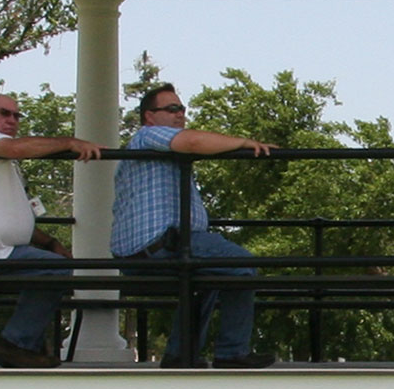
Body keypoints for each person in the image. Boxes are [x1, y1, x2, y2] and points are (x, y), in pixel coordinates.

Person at [111, 81, 279, 367]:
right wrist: (244, 143)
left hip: (155, 248)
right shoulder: (149, 136)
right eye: (172, 108)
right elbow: (192, 141)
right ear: (149, 116)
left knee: (209, 274)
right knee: (241, 265)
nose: (180, 114)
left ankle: (180, 354)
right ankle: (231, 352)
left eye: (182, 108)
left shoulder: (154, 145)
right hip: (161, 246)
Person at [0, 92, 103, 368]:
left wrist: (51, 243)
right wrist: (69, 143)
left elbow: (14, 215)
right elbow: (12, 148)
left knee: (57, 266)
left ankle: (29, 345)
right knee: (54, 269)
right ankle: (15, 344)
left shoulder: (4, 164)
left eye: (17, 116)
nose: (12, 120)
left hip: (2, 252)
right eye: (4, 113)